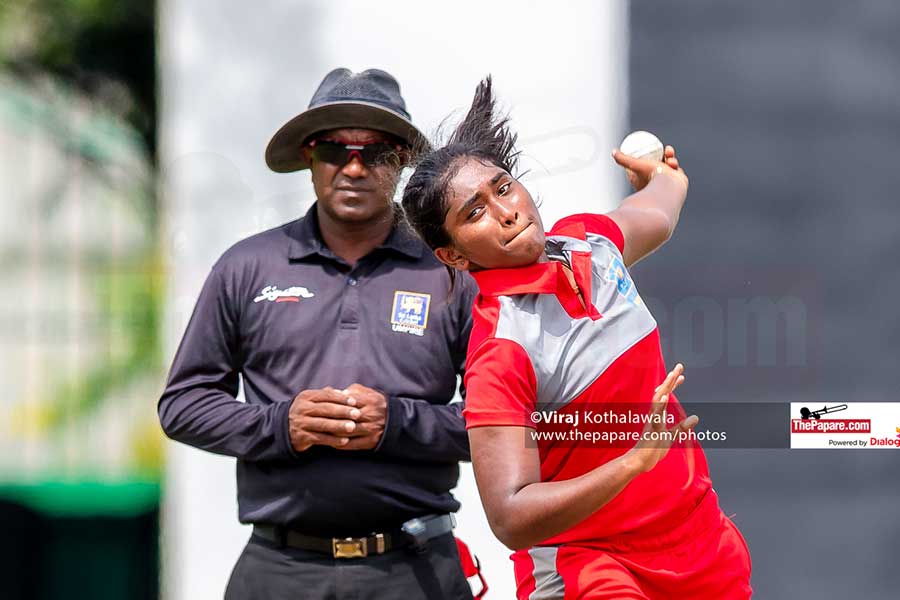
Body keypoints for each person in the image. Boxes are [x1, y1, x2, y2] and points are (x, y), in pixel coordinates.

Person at [401, 77, 752, 599]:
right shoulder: (500, 351)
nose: (505, 211)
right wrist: (633, 460)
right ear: (452, 255)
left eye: (502, 188)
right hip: (593, 568)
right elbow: (511, 515)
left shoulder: (589, 242)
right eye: (473, 212)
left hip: (700, 547)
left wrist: (661, 176)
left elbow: (657, 211)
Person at [159, 68, 477, 600]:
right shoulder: (247, 267)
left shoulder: (451, 271)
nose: (353, 167)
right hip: (279, 569)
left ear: (400, 160)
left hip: (416, 570)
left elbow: (510, 421)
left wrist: (397, 422)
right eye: (335, 148)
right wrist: (284, 425)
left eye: (374, 151)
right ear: (310, 156)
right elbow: (183, 405)